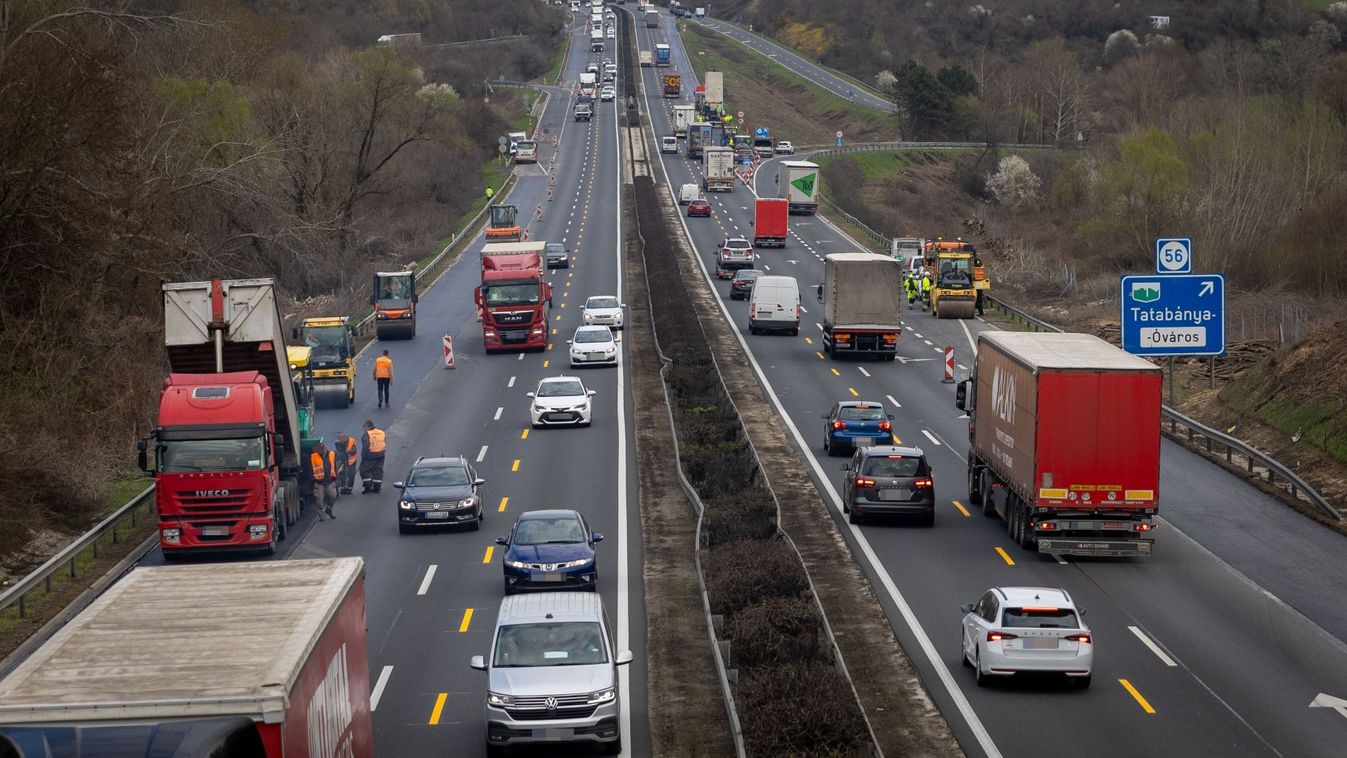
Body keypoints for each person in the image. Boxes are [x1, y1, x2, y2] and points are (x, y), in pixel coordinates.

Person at [311, 442, 338, 520]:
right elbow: (310, 469)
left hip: (330, 481)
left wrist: (336, 479)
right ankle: (321, 515)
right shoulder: (313, 457)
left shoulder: (332, 455)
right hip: (319, 483)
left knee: (333, 496)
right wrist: (314, 480)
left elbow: (335, 467)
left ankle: (329, 510)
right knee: (319, 500)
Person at [360, 420, 386, 494]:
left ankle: (367, 487)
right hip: (381, 454)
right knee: (378, 470)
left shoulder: (367, 434)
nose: (364, 429)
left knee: (364, 470)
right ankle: (377, 487)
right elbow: (384, 441)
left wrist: (363, 456)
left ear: (367, 426)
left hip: (370, 455)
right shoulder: (381, 432)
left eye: (364, 427)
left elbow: (365, 446)